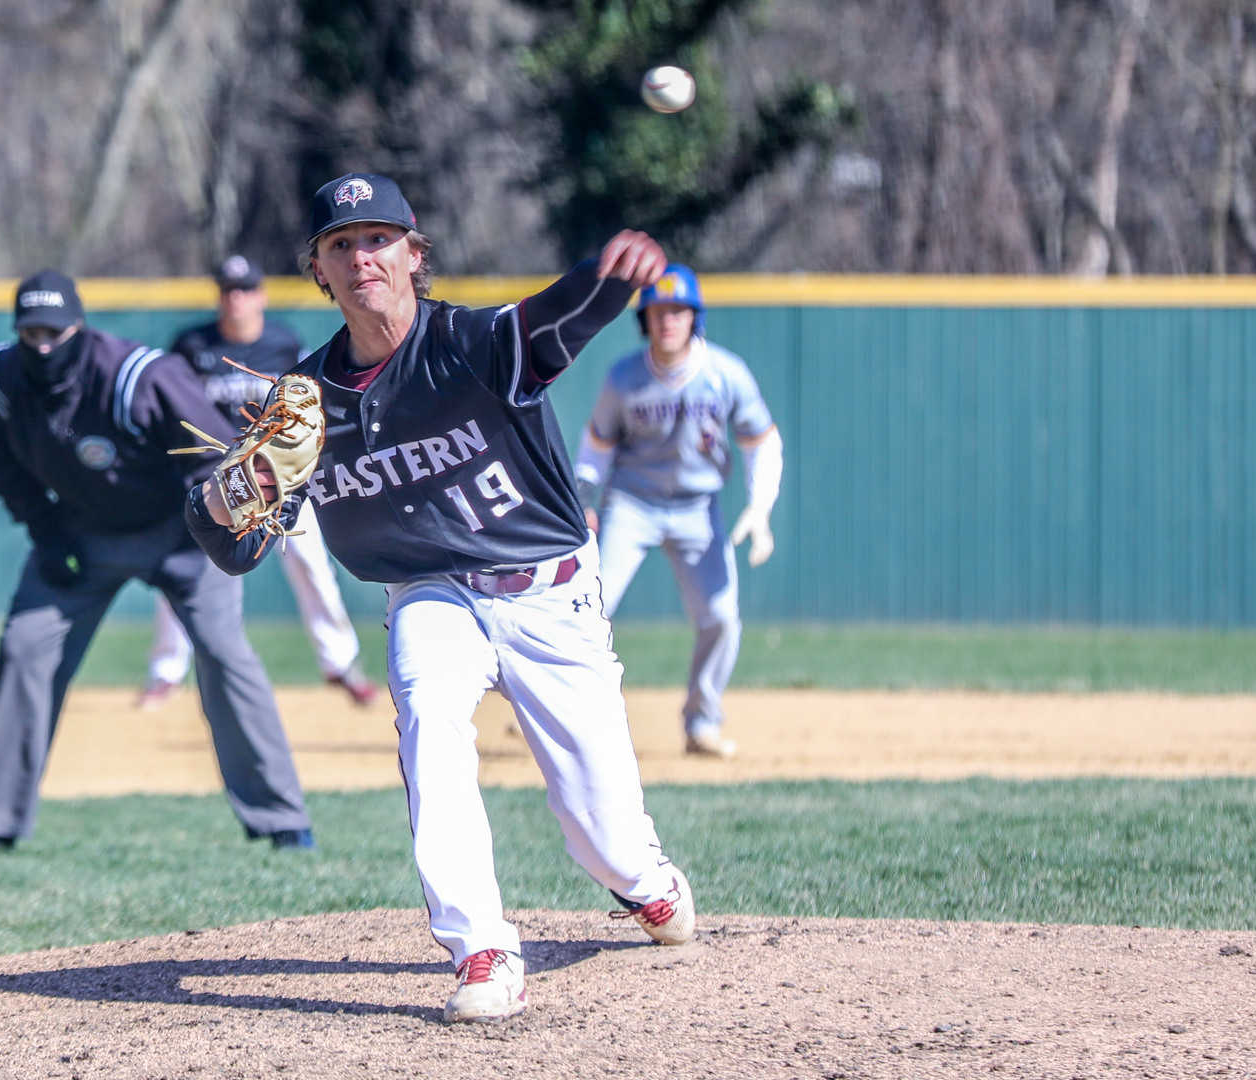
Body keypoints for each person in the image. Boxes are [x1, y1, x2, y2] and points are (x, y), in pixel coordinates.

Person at [185, 173, 694, 1023]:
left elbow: (556, 320)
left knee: (601, 834)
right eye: (341, 244)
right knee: (427, 715)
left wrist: (610, 278)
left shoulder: (474, 343)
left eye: (379, 239)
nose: (362, 257)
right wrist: (217, 498)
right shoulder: (305, 402)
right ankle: (482, 949)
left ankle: (643, 880)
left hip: (544, 591)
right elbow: (234, 550)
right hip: (428, 592)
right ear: (319, 270)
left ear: (414, 255)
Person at [0, 270, 315, 853]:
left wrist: (219, 528)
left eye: (54, 332)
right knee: (24, 646)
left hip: (181, 530)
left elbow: (216, 458)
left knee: (224, 654)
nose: (42, 345)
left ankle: (282, 821)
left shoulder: (140, 375)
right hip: (79, 533)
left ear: (79, 326)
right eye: (30, 332)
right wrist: (43, 528)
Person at [137, 255, 379, 709]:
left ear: (261, 296)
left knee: (312, 565)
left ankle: (341, 663)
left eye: (245, 289)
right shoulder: (192, 345)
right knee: (185, 567)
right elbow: (170, 406)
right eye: (228, 290)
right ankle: (165, 672)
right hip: (216, 480)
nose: (236, 298)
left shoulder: (284, 344)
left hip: (280, 480)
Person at [574, 268, 782, 760]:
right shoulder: (625, 377)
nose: (668, 320)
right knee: (586, 609)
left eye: (678, 310)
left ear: (695, 318)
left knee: (721, 617)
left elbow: (762, 441)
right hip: (632, 502)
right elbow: (595, 448)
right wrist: (584, 500)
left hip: (697, 508)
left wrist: (761, 505)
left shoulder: (725, 373)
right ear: (644, 319)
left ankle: (702, 723)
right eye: (658, 311)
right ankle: (557, 707)